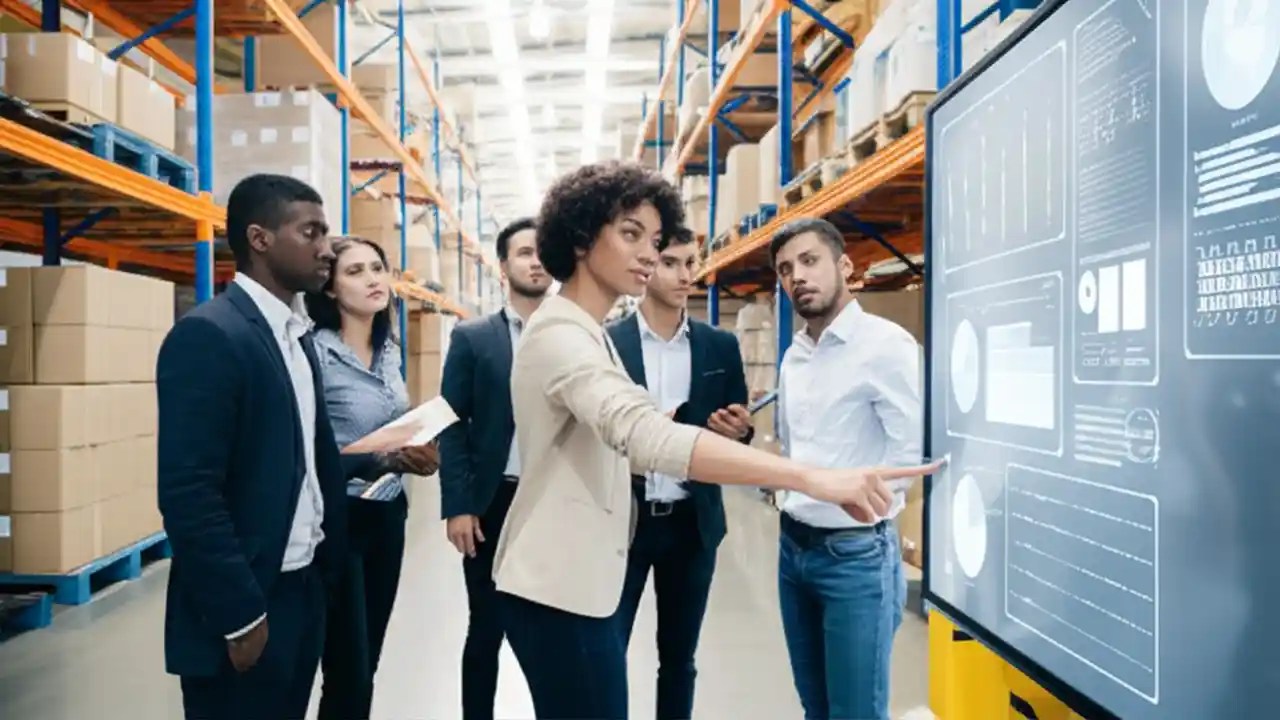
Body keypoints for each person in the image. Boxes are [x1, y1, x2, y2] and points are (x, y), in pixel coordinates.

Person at [493, 160, 942, 720]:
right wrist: (808, 477)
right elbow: (641, 432)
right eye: (631, 234)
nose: (649, 255)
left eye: (654, 241)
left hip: (582, 579)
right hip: (558, 585)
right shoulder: (563, 333)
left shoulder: (586, 334)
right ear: (582, 237)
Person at [156, 174, 347, 719]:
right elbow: (189, 492)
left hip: (301, 589)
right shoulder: (211, 336)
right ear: (260, 239)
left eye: (326, 232)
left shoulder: (295, 336)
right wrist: (240, 614)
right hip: (247, 605)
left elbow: (306, 459)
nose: (326, 247)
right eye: (310, 231)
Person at [769, 218, 923, 720]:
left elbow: (909, 457)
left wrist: (867, 504)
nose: (797, 277)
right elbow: (794, 450)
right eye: (786, 269)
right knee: (815, 706)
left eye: (810, 261)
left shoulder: (886, 346)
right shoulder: (795, 356)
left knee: (855, 712)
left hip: (854, 558)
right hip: (793, 551)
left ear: (845, 266)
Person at [608, 226, 753, 719]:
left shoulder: (720, 347)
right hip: (622, 523)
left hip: (692, 524)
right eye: (671, 262)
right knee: (608, 653)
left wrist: (738, 432)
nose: (685, 274)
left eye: (692, 263)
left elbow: (738, 428)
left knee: (679, 659)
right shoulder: (608, 344)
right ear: (646, 266)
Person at [305, 236, 441, 719]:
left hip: (388, 516)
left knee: (369, 662)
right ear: (331, 289)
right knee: (349, 666)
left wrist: (419, 447)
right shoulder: (315, 355)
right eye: (356, 271)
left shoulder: (389, 350)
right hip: (339, 523)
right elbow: (307, 452)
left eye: (378, 268)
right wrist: (383, 458)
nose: (372, 279)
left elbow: (389, 427)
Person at [438, 217, 551, 720]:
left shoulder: (578, 334)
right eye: (525, 252)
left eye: (543, 251)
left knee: (554, 631)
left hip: (556, 502)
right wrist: (459, 505)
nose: (536, 260)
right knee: (485, 628)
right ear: (503, 266)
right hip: (494, 502)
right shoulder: (473, 338)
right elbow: (452, 424)